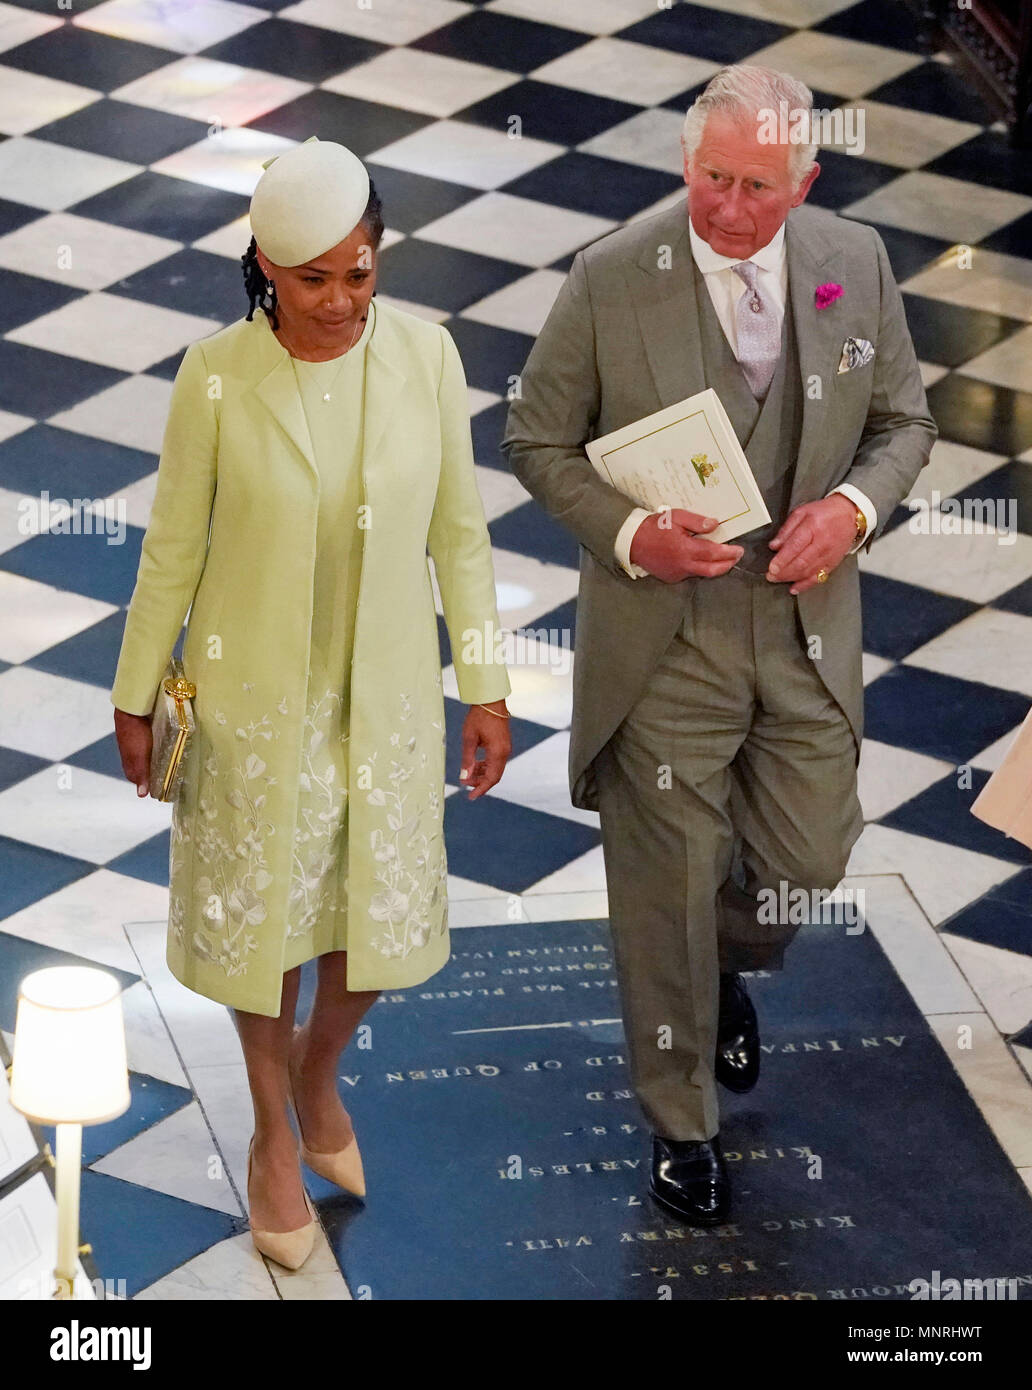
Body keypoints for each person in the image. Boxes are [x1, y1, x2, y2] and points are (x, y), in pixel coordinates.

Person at [502, 65, 936, 1226]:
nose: (729, 208)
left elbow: (904, 422)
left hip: (801, 630)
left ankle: (725, 966)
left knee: (807, 861)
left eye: (757, 185)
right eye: (711, 178)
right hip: (665, 639)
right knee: (665, 889)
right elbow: (536, 438)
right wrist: (635, 531)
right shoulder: (609, 278)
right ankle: (680, 1125)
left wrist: (851, 512)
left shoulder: (859, 264)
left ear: (808, 180)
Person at [111, 136, 512, 1269]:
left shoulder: (428, 359)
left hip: (381, 701)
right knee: (266, 929)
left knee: (375, 927)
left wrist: (483, 681)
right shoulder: (219, 377)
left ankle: (315, 1068)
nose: (342, 301)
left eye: (361, 271)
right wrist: (135, 693)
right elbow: (171, 550)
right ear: (266, 270)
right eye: (313, 279)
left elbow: (463, 538)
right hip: (251, 705)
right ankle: (273, 1133)